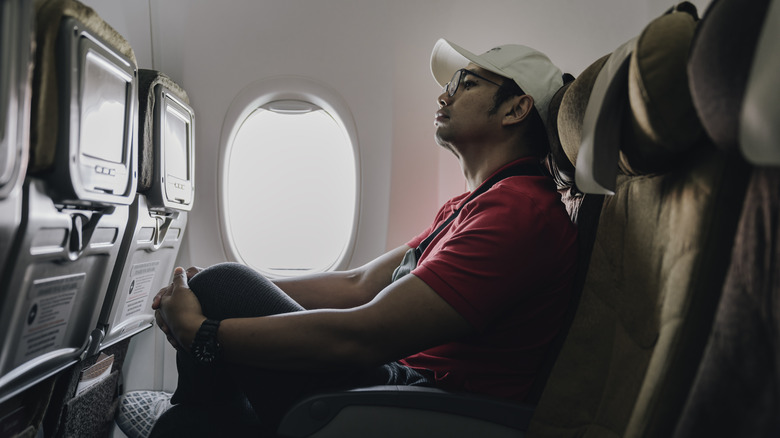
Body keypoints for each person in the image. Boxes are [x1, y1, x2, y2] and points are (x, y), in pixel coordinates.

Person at [116, 38, 578, 437]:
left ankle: (195, 416)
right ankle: (199, 417)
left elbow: (365, 335)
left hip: (427, 401)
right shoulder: (475, 204)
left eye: (466, 84)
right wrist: (216, 290)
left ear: (517, 109)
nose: (444, 95)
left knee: (221, 290)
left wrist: (204, 333)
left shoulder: (519, 212)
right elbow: (359, 284)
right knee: (217, 287)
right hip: (401, 381)